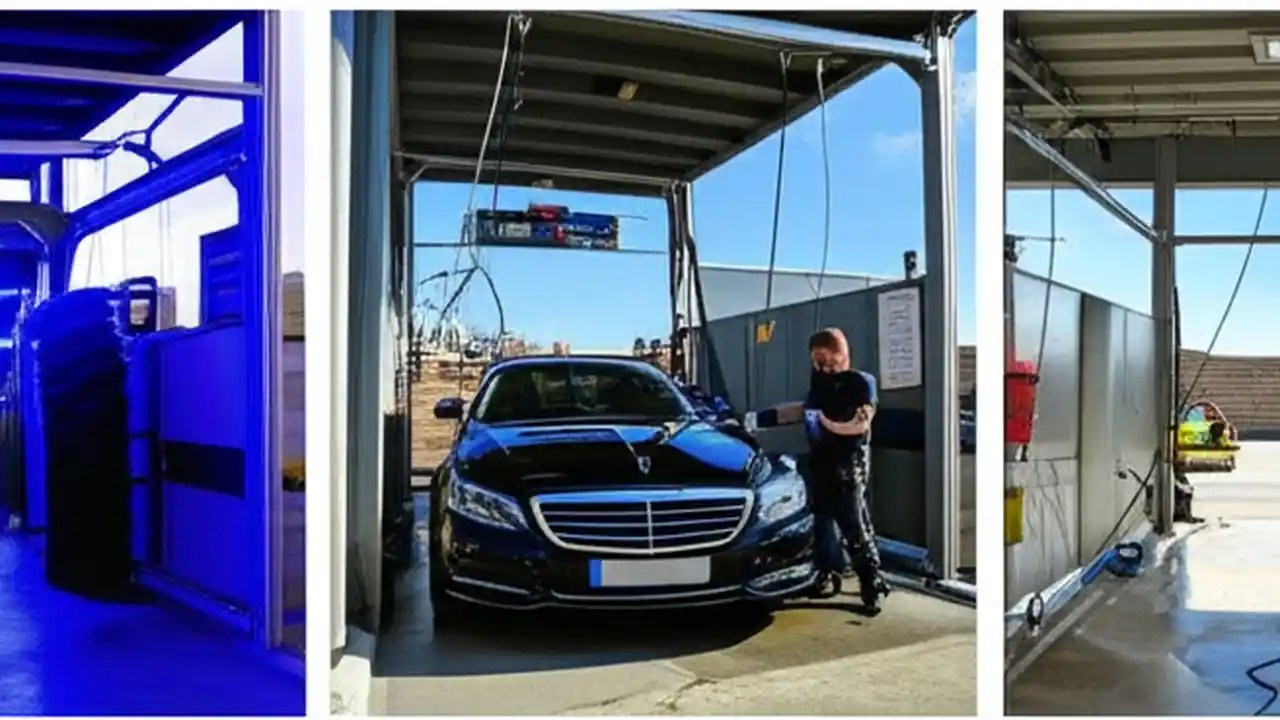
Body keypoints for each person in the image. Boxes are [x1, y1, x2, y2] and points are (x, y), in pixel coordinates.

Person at [744, 327, 890, 615]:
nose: (820, 365)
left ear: (840, 354)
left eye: (825, 358)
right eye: (815, 359)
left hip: (849, 467)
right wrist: (758, 418)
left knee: (854, 524)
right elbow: (800, 410)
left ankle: (872, 581)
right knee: (820, 523)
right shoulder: (820, 384)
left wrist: (831, 425)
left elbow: (863, 422)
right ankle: (825, 570)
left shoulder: (860, 382)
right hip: (820, 463)